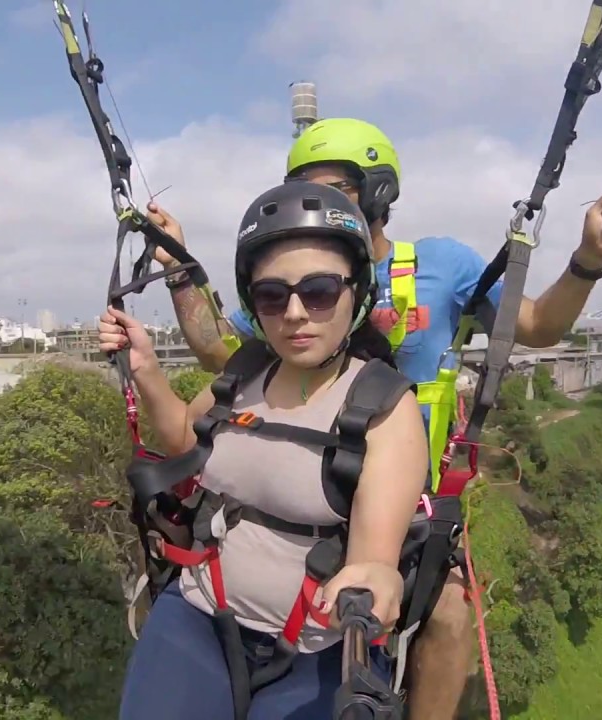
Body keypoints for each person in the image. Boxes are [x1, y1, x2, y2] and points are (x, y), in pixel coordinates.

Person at [104, 118, 602, 719]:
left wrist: (589, 258)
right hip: (290, 475)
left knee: (450, 609)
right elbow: (219, 352)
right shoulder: (288, 284)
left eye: (334, 187)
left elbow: (536, 327)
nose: (296, 310)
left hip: (404, 477)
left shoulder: (439, 266)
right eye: (276, 297)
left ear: (377, 191)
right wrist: (177, 265)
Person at [105, 180, 429, 719]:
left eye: (320, 290)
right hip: (200, 615)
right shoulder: (246, 370)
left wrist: (375, 577)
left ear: (357, 292)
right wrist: (147, 371)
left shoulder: (383, 407)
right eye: (273, 296)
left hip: (317, 648)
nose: (296, 313)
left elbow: (374, 557)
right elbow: (185, 441)